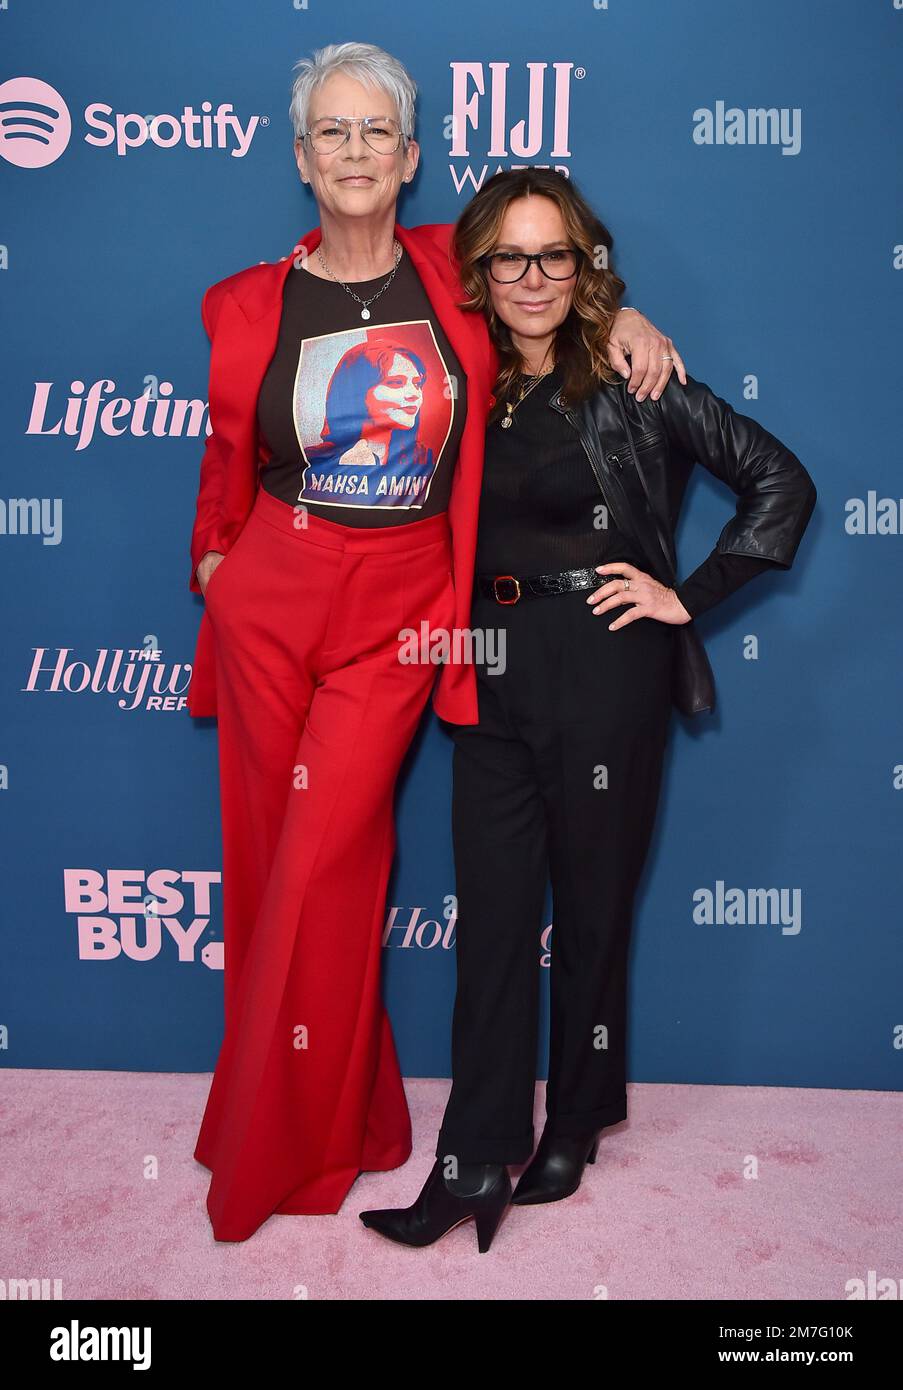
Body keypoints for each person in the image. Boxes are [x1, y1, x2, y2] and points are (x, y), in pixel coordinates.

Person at [187, 46, 681, 1243]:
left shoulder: (452, 281)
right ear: (301, 158)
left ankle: (267, 1157)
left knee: (326, 863)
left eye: (377, 134)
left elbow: (552, 283)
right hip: (271, 594)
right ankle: (341, 1123)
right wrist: (215, 560)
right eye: (332, 134)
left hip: (405, 604)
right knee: (268, 870)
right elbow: (226, 450)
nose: (355, 153)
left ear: (411, 160)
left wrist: (630, 317)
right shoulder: (244, 301)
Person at [358, 167, 817, 1252]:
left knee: (596, 910)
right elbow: (375, 245)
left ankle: (574, 1120)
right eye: (508, 257)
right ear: (477, 268)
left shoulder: (628, 374)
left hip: (607, 665)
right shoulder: (456, 369)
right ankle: (473, 1159)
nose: (531, 278)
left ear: (586, 263)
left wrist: (684, 598)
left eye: (554, 255)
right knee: (498, 923)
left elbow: (780, 482)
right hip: (486, 663)